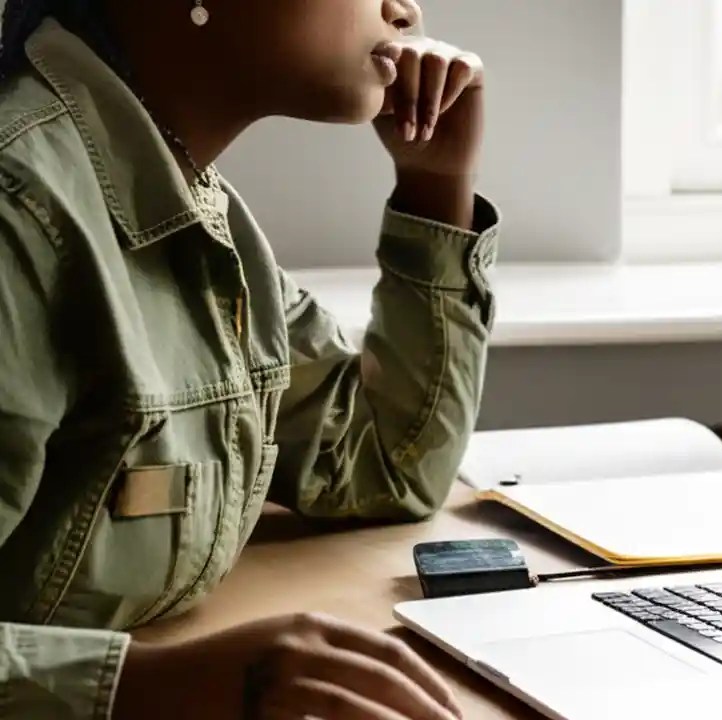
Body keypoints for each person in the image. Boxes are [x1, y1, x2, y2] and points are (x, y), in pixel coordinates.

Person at [0, 0, 498, 717]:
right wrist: (148, 685)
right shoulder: (19, 213)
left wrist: (434, 183)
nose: (405, 10)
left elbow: (384, 465)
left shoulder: (197, 212)